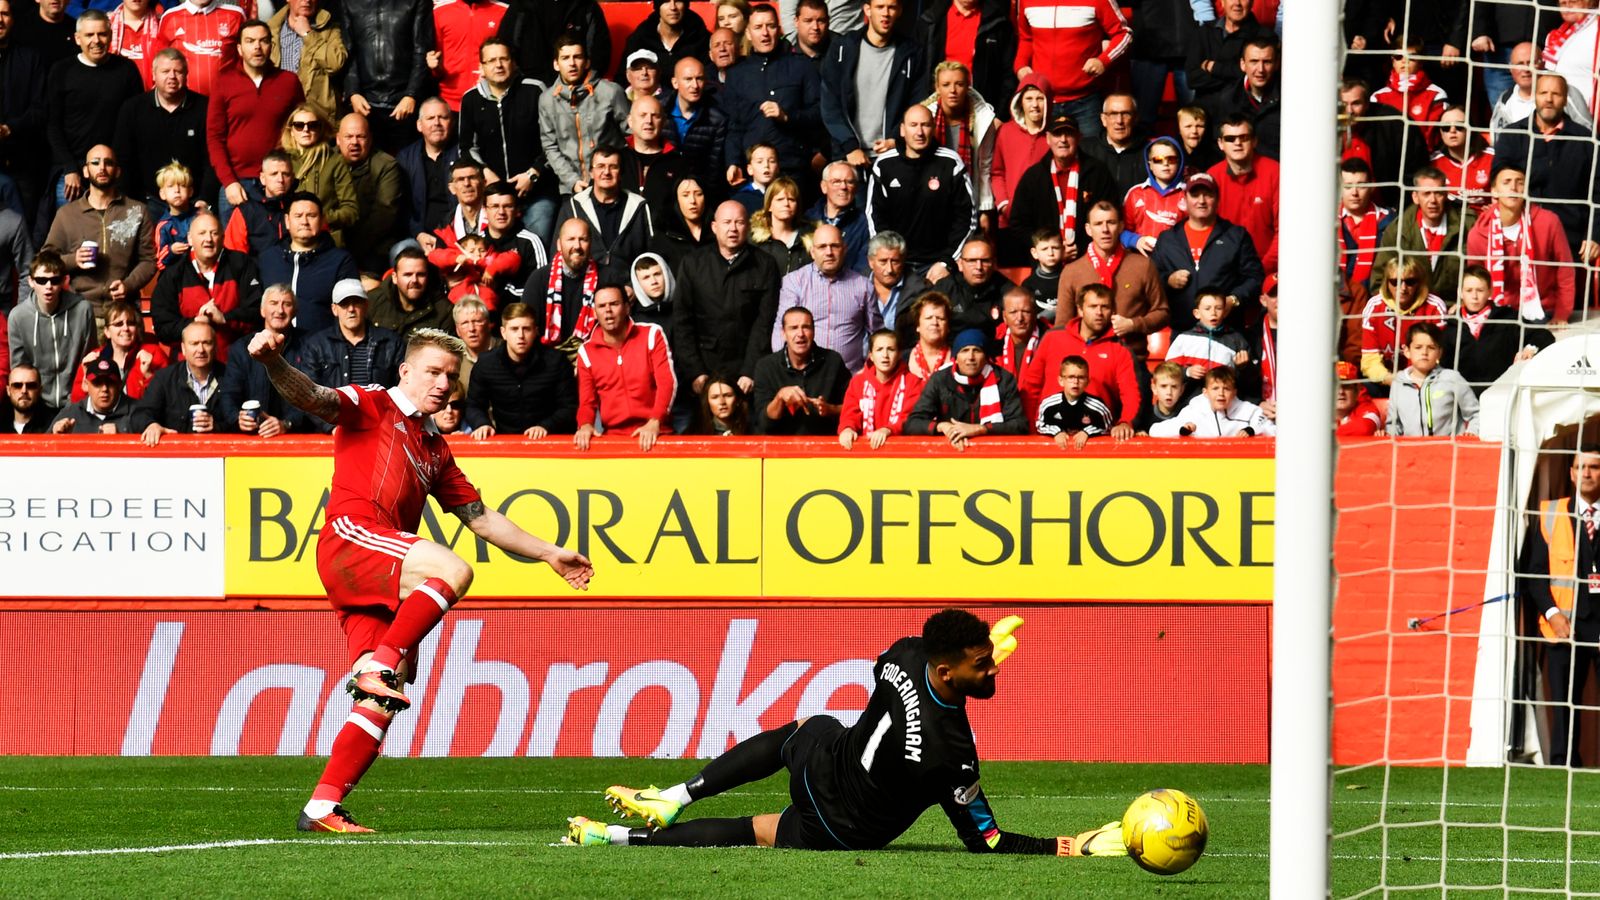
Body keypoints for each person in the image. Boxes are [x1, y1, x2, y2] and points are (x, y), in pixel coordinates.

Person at [244, 324, 593, 834]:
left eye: (451, 375)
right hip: (353, 538)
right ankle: (379, 664)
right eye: (432, 371)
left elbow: (480, 518)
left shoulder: (434, 448)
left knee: (385, 694)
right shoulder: (370, 404)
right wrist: (273, 363)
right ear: (405, 371)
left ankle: (321, 807)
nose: (443, 384)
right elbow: (314, 396)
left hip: (381, 573)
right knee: (454, 570)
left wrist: (548, 553)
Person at [570, 608, 1123, 855]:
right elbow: (989, 841)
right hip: (848, 829)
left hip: (825, 764)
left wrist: (980, 650)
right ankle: (615, 837)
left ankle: (672, 797)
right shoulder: (953, 755)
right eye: (985, 664)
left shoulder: (907, 656)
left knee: (808, 726)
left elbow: (898, 665)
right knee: (753, 830)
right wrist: (1071, 846)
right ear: (949, 671)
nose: (995, 670)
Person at [1518, 447, 1600, 767]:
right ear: (1570, 472)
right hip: (1563, 623)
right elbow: (1534, 573)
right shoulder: (1549, 514)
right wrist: (1553, 615)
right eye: (1581, 467)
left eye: (1594, 467)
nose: (1588, 473)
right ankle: (1562, 766)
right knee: (1564, 701)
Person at [671, 201, 780, 399]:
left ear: (747, 226)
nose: (732, 228)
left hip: (747, 369)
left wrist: (751, 370)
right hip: (704, 370)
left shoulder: (765, 265)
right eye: (727, 222)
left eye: (739, 222)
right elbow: (682, 322)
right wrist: (695, 371)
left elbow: (765, 323)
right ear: (714, 227)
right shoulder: (693, 264)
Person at [1493, 74, 1600, 270]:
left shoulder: (1587, 141)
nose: (1549, 99)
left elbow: (1598, 194)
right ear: (1535, 95)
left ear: (1566, 98)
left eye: (1556, 93)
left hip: (1571, 241)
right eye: (1543, 93)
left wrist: (1594, 235)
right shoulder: (1512, 135)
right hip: (1519, 237)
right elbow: (1499, 184)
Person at [42, 144, 156, 318]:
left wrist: (128, 285)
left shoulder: (137, 211)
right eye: (95, 163)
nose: (102, 168)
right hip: (79, 313)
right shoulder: (67, 214)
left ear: (117, 171)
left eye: (108, 163)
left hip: (123, 313)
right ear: (86, 171)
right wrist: (74, 259)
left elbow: (148, 260)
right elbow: (45, 262)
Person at [207, 19, 305, 220]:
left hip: (279, 181)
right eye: (250, 41)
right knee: (235, 250)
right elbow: (214, 137)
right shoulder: (223, 82)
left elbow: (301, 132)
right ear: (240, 48)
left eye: (263, 41)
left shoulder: (289, 82)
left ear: (271, 45)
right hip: (237, 183)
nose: (257, 47)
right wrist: (229, 182)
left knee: (279, 247)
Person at [1058, 200, 1169, 377]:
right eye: (1098, 224)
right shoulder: (1072, 272)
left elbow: (1163, 313)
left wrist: (1134, 324)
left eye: (1111, 222)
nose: (1105, 229)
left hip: (1132, 362)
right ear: (1088, 229)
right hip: (1086, 366)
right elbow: (1062, 328)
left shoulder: (1143, 265)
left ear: (1121, 226)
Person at [46, 11, 144, 209]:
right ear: (77, 38)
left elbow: (136, 124)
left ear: (111, 36)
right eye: (90, 35)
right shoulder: (61, 71)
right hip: (73, 172)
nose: (96, 41)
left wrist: (119, 169)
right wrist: (69, 168)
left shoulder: (127, 69)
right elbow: (52, 125)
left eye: (102, 34)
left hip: (116, 171)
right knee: (72, 235)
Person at [461, 37, 554, 241]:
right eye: (491, 60)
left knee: (536, 242)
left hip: (538, 191)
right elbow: (466, 148)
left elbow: (554, 139)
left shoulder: (535, 90)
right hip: (495, 196)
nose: (498, 65)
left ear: (513, 62)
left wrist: (533, 174)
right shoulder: (470, 99)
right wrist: (486, 173)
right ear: (482, 67)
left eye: (504, 59)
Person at [1149, 171, 1263, 335]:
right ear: (1184, 199)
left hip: (1227, 333)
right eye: (1195, 195)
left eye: (1207, 194)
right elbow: (1151, 280)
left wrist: (1233, 299)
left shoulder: (1236, 236)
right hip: (1182, 333)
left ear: (1217, 199)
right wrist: (1168, 280)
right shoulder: (1168, 239)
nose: (1201, 201)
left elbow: (1255, 278)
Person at [1002, 106, 1118, 266]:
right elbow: (1018, 225)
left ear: (1078, 137)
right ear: (1048, 138)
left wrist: (1082, 247)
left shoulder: (1097, 172)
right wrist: (1050, 249)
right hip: (1044, 267)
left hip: (1090, 261)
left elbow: (1110, 218)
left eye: (1069, 134)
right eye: (1057, 134)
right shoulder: (1034, 177)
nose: (1063, 139)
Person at [1465, 163, 1576, 327]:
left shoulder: (1549, 222)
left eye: (1520, 182)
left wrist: (1562, 313)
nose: (1514, 187)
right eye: (1506, 182)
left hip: (1542, 311)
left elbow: (1565, 270)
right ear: (1494, 190)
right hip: (1498, 313)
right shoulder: (1478, 234)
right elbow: (1475, 282)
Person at [867, 104, 975, 273]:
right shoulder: (884, 165)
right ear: (902, 130)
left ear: (933, 128)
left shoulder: (950, 163)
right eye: (913, 125)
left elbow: (967, 218)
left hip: (939, 265)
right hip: (896, 264)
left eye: (925, 125)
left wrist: (947, 262)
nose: (919, 132)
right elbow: (875, 216)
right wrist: (889, 259)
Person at [720, 5, 819, 186]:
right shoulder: (736, 74)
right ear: (748, 34)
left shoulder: (802, 66)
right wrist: (733, 162)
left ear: (779, 30)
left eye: (770, 26)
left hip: (793, 170)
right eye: (758, 28)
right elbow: (733, 127)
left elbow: (819, 114)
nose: (765, 33)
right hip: (751, 173)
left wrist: (787, 116)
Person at [1023, 284, 1138, 434]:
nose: (1099, 312)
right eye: (1092, 306)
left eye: (1105, 307)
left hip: (1096, 439)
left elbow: (1131, 394)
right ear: (1080, 309)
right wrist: (1032, 430)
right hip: (1048, 436)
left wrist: (1125, 422)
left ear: (1113, 311)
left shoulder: (1120, 349)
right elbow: (1031, 387)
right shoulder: (1053, 338)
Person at [573, 284, 675, 452]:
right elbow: (587, 401)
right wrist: (585, 425)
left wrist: (655, 421)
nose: (608, 311)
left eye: (614, 304)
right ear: (594, 313)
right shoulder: (586, 351)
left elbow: (667, 383)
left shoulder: (652, 334)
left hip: (658, 435)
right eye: (601, 306)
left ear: (627, 308)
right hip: (613, 440)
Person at [149, 210, 262, 361]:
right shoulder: (173, 274)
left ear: (223, 237)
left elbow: (258, 312)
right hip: (189, 368)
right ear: (190, 238)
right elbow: (163, 328)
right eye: (202, 233)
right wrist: (194, 323)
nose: (208, 239)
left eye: (214, 233)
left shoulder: (242, 265)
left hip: (237, 365)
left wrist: (224, 318)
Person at [113, 49, 214, 207]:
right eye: (165, 71)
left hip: (194, 199)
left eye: (178, 71)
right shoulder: (133, 109)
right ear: (154, 75)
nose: (172, 76)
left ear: (186, 74)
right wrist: (134, 201)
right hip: (147, 200)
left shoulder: (205, 108)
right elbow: (124, 159)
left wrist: (205, 198)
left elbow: (212, 158)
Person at [463, 300, 578, 439]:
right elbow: (473, 405)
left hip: (550, 441)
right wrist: (482, 424)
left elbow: (569, 406)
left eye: (526, 329)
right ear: (503, 332)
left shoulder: (556, 361)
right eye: (514, 329)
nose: (521, 336)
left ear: (535, 331)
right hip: (505, 443)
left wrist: (546, 426)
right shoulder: (487, 363)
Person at [769, 223, 874, 373]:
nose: (829, 252)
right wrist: (786, 372)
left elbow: (876, 334)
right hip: (804, 377)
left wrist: (867, 373)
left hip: (849, 379)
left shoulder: (863, 286)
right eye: (822, 247)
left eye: (834, 246)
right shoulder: (794, 282)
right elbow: (781, 329)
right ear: (812, 252)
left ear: (844, 250)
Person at [1013, 0, 1127, 136]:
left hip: (1086, 101)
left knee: (1091, 155)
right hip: (1044, 101)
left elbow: (1123, 34)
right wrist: (1021, 65)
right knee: (1043, 156)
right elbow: (1026, 38)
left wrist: (1103, 60)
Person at [539, 33, 629, 198]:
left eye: (577, 57)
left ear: (587, 62)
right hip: (571, 188)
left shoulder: (611, 92)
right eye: (565, 58)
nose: (572, 63)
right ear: (556, 64)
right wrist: (572, 181)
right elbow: (550, 147)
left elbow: (630, 137)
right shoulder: (547, 99)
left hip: (613, 185)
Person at [298, 278, 405, 416]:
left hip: (382, 425)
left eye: (356, 302)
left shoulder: (391, 342)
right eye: (344, 304)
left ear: (366, 305)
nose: (351, 309)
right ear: (334, 309)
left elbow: (404, 389)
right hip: (334, 428)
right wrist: (331, 427)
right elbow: (308, 394)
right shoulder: (315, 345)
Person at [258, 193, 360, 336]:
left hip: (323, 350)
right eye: (298, 216)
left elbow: (350, 310)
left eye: (311, 216)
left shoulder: (341, 261)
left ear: (322, 220)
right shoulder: (267, 259)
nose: (304, 221)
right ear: (287, 221)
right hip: (276, 349)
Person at [905, 327, 1026, 447]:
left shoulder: (1004, 379)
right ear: (955, 358)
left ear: (986, 357)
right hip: (951, 451)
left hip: (994, 454)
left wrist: (980, 429)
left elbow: (1019, 424)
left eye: (977, 350)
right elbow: (913, 423)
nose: (971, 357)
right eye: (964, 350)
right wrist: (943, 427)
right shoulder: (940, 380)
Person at [338, 0, 432, 153]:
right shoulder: (349, 2)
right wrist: (353, 92)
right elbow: (348, 49)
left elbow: (421, 49)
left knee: (405, 167)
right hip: (364, 103)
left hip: (404, 104)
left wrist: (411, 94)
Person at [1441, 264, 1550, 395]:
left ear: (1490, 291)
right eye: (1469, 290)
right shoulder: (1452, 326)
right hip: (1464, 398)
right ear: (1460, 292)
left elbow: (1543, 336)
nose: (1474, 296)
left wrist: (1530, 348)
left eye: (1480, 290)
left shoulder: (1507, 318)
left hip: (1502, 393)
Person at [1371, 165, 1473, 304]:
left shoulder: (1467, 227)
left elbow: (1480, 276)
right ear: (1415, 197)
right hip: (1410, 310)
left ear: (1446, 195)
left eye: (1438, 193)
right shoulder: (1398, 231)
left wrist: (1461, 306)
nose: (1433, 200)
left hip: (1453, 311)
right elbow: (1379, 281)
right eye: (1426, 193)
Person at [219, 284, 312, 435]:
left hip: (297, 438)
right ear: (262, 311)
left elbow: (314, 395)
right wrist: (237, 418)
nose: (280, 310)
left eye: (287, 304)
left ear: (294, 312)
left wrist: (288, 424)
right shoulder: (240, 348)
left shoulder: (310, 346)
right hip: (251, 440)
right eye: (273, 303)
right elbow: (229, 393)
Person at [9, 250, 94, 409]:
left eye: (54, 280)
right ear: (31, 282)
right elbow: (20, 369)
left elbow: (89, 358)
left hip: (76, 400)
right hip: (36, 405)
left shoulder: (83, 310)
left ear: (63, 281)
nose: (48, 286)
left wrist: (77, 397)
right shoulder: (18, 317)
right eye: (41, 280)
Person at [556, 146, 654, 283]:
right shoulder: (572, 208)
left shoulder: (639, 207)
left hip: (629, 290)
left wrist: (634, 287)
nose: (606, 172)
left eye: (613, 167)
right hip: (583, 287)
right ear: (591, 172)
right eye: (600, 166)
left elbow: (651, 256)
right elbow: (557, 256)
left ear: (621, 173)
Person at [131, 318, 225, 445]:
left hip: (221, 455)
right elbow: (140, 415)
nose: (201, 350)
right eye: (194, 343)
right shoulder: (164, 378)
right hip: (178, 457)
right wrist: (151, 425)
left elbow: (242, 420)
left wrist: (218, 426)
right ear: (183, 348)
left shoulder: (231, 376)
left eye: (206, 343)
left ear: (215, 347)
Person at [1359, 256, 1450, 386]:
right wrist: (1391, 380)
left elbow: (1436, 357)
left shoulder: (1434, 307)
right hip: (1386, 380)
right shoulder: (1374, 307)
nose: (1403, 288)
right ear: (1386, 283)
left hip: (1424, 379)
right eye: (1395, 282)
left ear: (1419, 283)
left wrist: (1412, 380)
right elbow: (1369, 359)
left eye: (1410, 282)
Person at [914, 0, 1014, 114]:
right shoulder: (931, 20)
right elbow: (918, 73)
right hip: (937, 110)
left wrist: (1000, 116)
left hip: (982, 111)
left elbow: (1008, 73)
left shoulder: (998, 23)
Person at [338, 114, 406, 277]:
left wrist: (350, 249)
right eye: (348, 137)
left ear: (370, 139)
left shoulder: (386, 165)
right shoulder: (328, 161)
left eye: (360, 136)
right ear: (338, 139)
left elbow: (384, 212)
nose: (354, 142)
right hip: (335, 244)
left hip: (374, 247)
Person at [1207, 114, 1277, 270]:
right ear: (1220, 144)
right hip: (1224, 270)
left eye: (1243, 137)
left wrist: (1260, 270)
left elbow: (1285, 231)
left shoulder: (1275, 172)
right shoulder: (1212, 177)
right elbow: (1205, 229)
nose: (1237, 143)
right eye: (1230, 138)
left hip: (1269, 271)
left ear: (1254, 141)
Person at [1385, 321, 1477, 436]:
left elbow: (1475, 414)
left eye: (1431, 348)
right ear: (1407, 351)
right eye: (1418, 347)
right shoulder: (1398, 382)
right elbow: (1393, 425)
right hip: (1411, 451)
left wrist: (1471, 433)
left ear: (1439, 353)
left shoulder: (1452, 378)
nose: (1424, 352)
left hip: (1447, 450)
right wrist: (1388, 434)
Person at [279, 105, 358, 237]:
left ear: (320, 129)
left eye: (312, 125)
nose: (306, 130)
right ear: (291, 130)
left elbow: (351, 210)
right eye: (299, 125)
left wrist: (322, 219)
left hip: (326, 237)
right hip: (288, 238)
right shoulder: (281, 161)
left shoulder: (334, 161)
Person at [68, 299, 167, 403]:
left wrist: (148, 375)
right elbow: (77, 404)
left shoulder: (153, 353)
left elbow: (167, 397)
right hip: (105, 418)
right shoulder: (94, 359)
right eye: (118, 324)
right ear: (107, 332)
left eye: (130, 323)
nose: (125, 328)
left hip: (141, 416)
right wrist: (86, 379)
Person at [838, 328, 921, 449]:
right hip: (864, 454)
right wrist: (847, 429)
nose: (885, 355)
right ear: (871, 355)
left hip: (903, 452)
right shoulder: (858, 382)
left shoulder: (913, 382)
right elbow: (849, 414)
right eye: (879, 350)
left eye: (891, 349)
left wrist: (888, 430)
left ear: (899, 354)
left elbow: (911, 418)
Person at [498, 0, 610, 89]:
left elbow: (599, 53)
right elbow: (505, 47)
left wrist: (585, 83)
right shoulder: (521, 6)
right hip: (529, 87)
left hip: (577, 87)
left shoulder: (586, 6)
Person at [397, 98, 462, 245]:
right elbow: (402, 207)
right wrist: (418, 234)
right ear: (419, 125)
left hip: (460, 236)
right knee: (400, 251)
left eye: (443, 118)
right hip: (419, 236)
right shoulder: (406, 158)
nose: (437, 123)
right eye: (430, 118)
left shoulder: (463, 153)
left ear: (451, 122)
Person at [1165, 288, 1250, 400]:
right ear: (1197, 313)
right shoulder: (1184, 339)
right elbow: (1167, 373)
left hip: (1225, 403)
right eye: (1207, 308)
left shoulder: (1237, 340)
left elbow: (1249, 381)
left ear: (1225, 312)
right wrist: (1187, 372)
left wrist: (1243, 368)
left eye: (1218, 308)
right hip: (1189, 404)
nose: (1213, 313)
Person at [990, 73, 1051, 229]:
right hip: (1010, 218)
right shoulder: (1005, 132)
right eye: (1029, 99)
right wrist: (1004, 204)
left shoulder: (1055, 136)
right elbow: (996, 172)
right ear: (1020, 102)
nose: (1034, 105)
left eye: (1040, 98)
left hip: (1046, 220)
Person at [1204, 36, 1280, 159]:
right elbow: (1219, 146)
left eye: (1267, 62)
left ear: (1277, 64)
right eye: (1254, 61)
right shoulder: (1227, 100)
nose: (1260, 69)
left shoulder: (1290, 99)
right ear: (1243, 64)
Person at [268, 0, 344, 122]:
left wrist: (307, 34)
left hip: (318, 120)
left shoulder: (330, 29)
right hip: (279, 116)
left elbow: (335, 64)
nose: (307, 0)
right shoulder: (271, 30)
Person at [663, 57, 727, 202]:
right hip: (663, 190)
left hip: (698, 195)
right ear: (675, 83)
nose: (695, 85)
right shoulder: (659, 111)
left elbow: (714, 169)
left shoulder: (717, 119)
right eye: (688, 79)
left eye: (699, 79)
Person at [1368, 35, 1448, 150]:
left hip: (1423, 159)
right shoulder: (1378, 97)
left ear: (1421, 62)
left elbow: (1434, 137)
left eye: (1411, 57)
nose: (1404, 61)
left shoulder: (1436, 94)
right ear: (1392, 61)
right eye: (1399, 57)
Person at [922, 236, 1012, 337]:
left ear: (994, 263)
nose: (979, 267)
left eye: (985, 261)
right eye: (972, 261)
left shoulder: (1008, 292)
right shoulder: (945, 288)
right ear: (960, 264)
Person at [1149, 365, 1272, 437]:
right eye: (1215, 388)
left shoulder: (1249, 411)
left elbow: (1273, 430)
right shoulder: (1194, 410)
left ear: (1234, 392)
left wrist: (1252, 431)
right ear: (1205, 392)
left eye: (1226, 389)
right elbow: (1154, 430)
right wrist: (1182, 429)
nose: (1221, 394)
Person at [154, 0, 244, 98]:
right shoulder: (170, 17)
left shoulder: (236, 15)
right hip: (184, 102)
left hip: (226, 99)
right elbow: (160, 62)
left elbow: (246, 60)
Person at [430, 0, 508, 112]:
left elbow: (510, 59)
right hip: (449, 103)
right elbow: (435, 61)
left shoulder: (503, 11)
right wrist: (435, 68)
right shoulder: (439, 12)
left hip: (491, 99)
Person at [1186, 0, 1264, 107]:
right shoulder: (1204, 33)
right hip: (1204, 116)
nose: (1237, 3)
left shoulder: (1263, 36)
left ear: (1252, 3)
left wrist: (1214, 68)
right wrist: (1235, 73)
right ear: (1222, 2)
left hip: (1242, 116)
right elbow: (1192, 79)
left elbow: (1253, 76)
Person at [1336, 157, 1393, 296]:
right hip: (1333, 299)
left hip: (1374, 298)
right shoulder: (1326, 222)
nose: (1354, 193)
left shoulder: (1389, 223)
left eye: (1361, 185)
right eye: (1348, 186)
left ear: (1372, 186)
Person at [222, 149, 295, 256]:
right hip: (256, 271)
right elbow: (234, 257)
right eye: (274, 174)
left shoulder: (303, 205)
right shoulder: (246, 211)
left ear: (292, 177)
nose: (280, 179)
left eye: (286, 174)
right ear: (262, 178)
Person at [1121, 137, 1188, 253]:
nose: (1165, 163)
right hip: (1140, 259)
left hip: (1176, 260)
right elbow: (1120, 230)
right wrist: (1135, 240)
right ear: (1150, 164)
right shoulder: (1135, 193)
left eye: (1171, 159)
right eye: (1158, 159)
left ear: (1179, 162)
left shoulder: (1189, 194)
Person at [368, 246, 452, 336]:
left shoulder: (443, 310)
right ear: (395, 278)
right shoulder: (373, 301)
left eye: (420, 274)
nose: (414, 280)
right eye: (408, 275)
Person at [1540, 0, 1599, 127]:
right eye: (1563, 3)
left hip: (1587, 116)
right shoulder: (1554, 36)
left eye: (1572, 2)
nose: (1567, 7)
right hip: (1558, 114)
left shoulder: (1596, 30)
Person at [1035, 354, 1113, 450]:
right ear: (1061, 380)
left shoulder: (1098, 407)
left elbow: (1109, 428)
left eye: (1081, 377)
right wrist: (1056, 432)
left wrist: (1087, 432)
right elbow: (1040, 425)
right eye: (1071, 377)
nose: (1075, 382)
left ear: (1088, 381)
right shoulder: (1048, 404)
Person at [808, 161, 869, 275]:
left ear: (855, 188)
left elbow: (864, 266)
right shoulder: (808, 220)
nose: (843, 187)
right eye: (836, 182)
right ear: (824, 187)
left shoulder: (865, 223)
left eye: (849, 182)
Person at [1080, 92, 1145, 198]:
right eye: (1113, 114)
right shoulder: (1084, 149)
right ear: (1103, 119)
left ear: (1135, 118)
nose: (1119, 121)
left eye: (1126, 114)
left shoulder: (1149, 152)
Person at [624, 0, 710, 79]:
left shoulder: (701, 37)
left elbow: (711, 77)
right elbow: (622, 78)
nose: (673, 7)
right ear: (658, 6)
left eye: (678, 1)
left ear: (685, 5)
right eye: (666, 1)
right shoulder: (640, 38)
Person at [49, 355, 136, 433]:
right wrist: (56, 438)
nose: (104, 389)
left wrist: (121, 438)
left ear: (119, 385)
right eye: (97, 383)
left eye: (110, 382)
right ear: (86, 385)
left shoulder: (138, 413)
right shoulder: (70, 413)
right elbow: (42, 446)